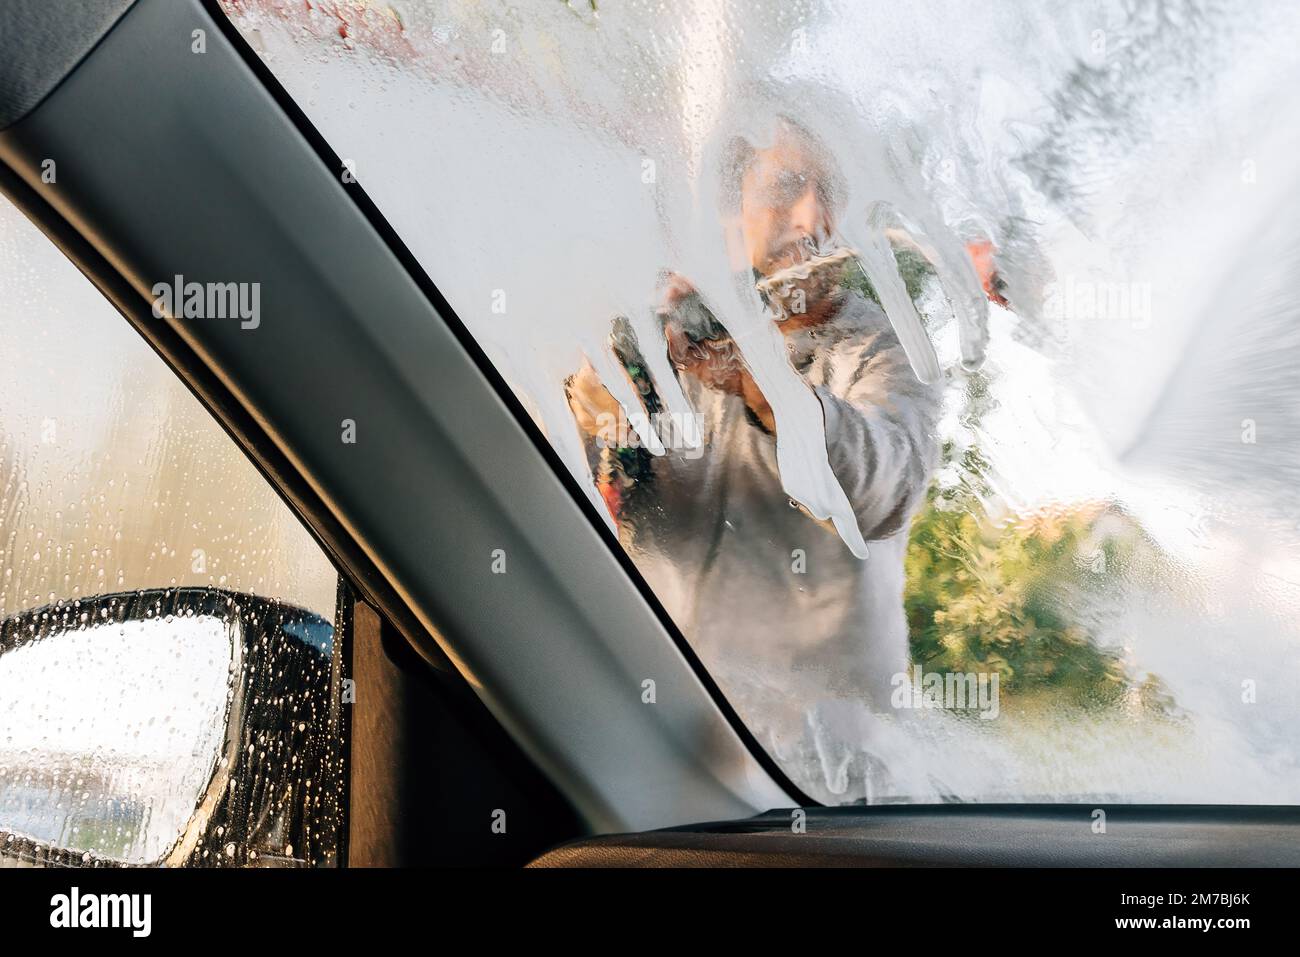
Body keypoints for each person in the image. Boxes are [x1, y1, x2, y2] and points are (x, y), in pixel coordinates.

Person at [566, 117, 978, 801]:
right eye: (787, 189)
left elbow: (881, 489)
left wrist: (760, 383)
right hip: (672, 760)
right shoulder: (675, 332)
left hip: (845, 780)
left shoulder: (886, 348)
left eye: (830, 192)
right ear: (729, 218)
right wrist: (595, 403)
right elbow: (590, 500)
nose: (815, 214)